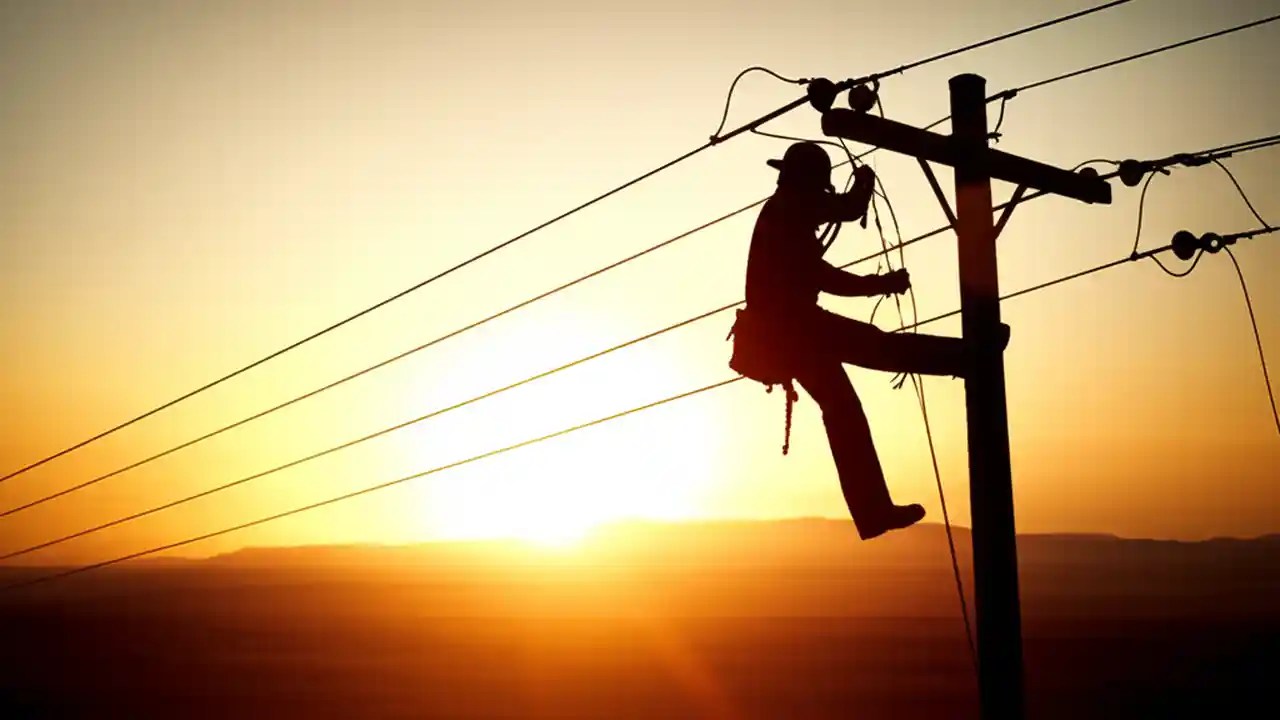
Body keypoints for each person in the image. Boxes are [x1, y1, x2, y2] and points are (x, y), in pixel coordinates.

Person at [730, 141, 1006, 541]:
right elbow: (846, 218)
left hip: (788, 334)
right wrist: (864, 181)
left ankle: (873, 512)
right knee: (881, 350)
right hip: (796, 329)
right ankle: (968, 356)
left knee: (844, 409)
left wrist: (878, 284)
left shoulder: (784, 213)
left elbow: (822, 271)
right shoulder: (792, 207)